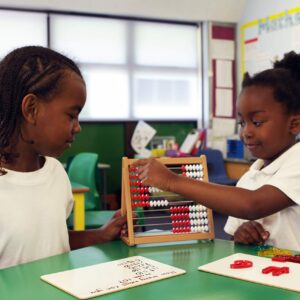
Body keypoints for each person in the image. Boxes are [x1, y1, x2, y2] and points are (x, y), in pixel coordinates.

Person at [133, 51, 300, 251]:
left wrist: (173, 181)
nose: (246, 132)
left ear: (294, 124)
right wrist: (242, 235)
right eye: (242, 122)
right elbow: (235, 234)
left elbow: (253, 205)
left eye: (256, 122)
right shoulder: (250, 177)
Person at [0, 46, 126, 269]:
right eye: (72, 115)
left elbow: (51, 241)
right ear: (31, 109)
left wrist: (100, 235)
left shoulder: (55, 172)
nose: (77, 128)